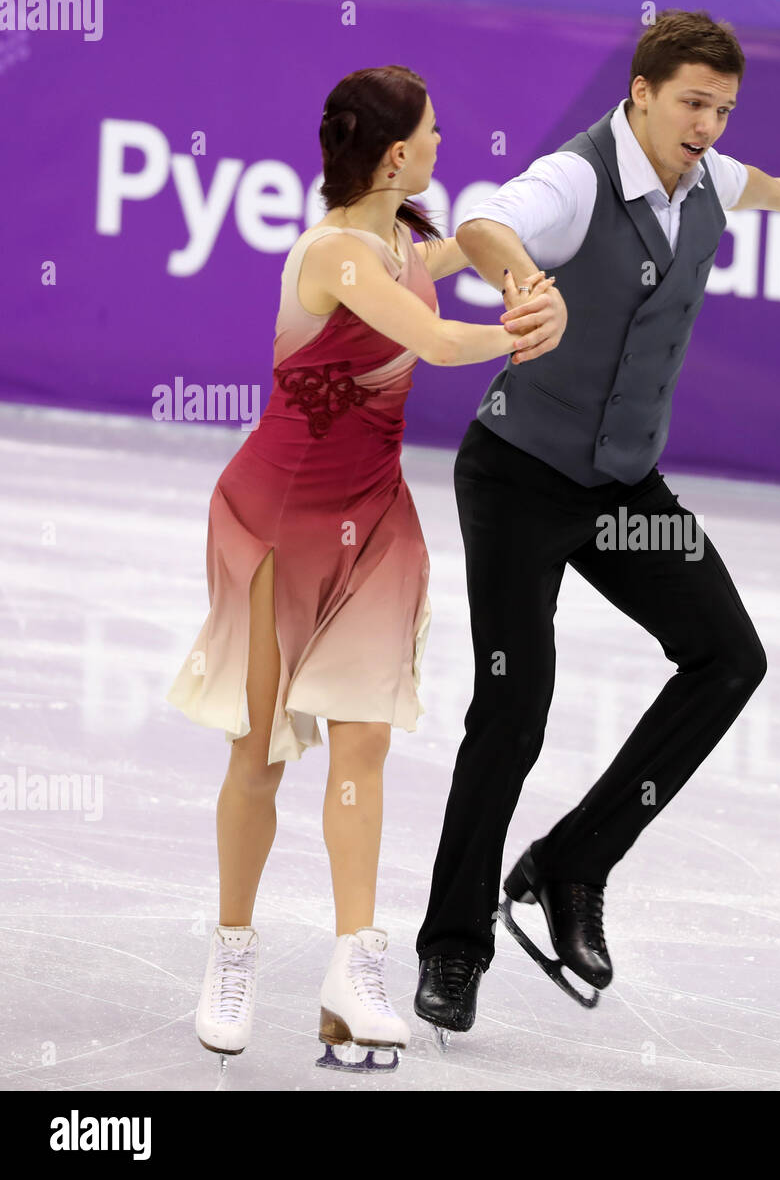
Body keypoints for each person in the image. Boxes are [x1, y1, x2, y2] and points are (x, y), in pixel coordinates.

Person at [413, 10, 780, 1031]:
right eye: (693, 102)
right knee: (512, 714)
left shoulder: (703, 176)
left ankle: (572, 864)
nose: (708, 124)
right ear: (640, 93)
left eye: (725, 110)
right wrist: (523, 280)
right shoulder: (578, 179)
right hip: (520, 478)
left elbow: (739, 179)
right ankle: (451, 943)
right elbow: (485, 223)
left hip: (621, 500)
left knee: (727, 658)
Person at [165, 65, 563, 1071]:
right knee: (259, 754)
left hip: (375, 520)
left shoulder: (397, 239)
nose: (440, 141)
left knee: (364, 748)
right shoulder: (335, 254)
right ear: (394, 153)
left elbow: (463, 242)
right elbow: (428, 337)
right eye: (430, 131)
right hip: (276, 524)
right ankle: (232, 949)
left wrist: (512, 270)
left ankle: (352, 970)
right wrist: (521, 333)